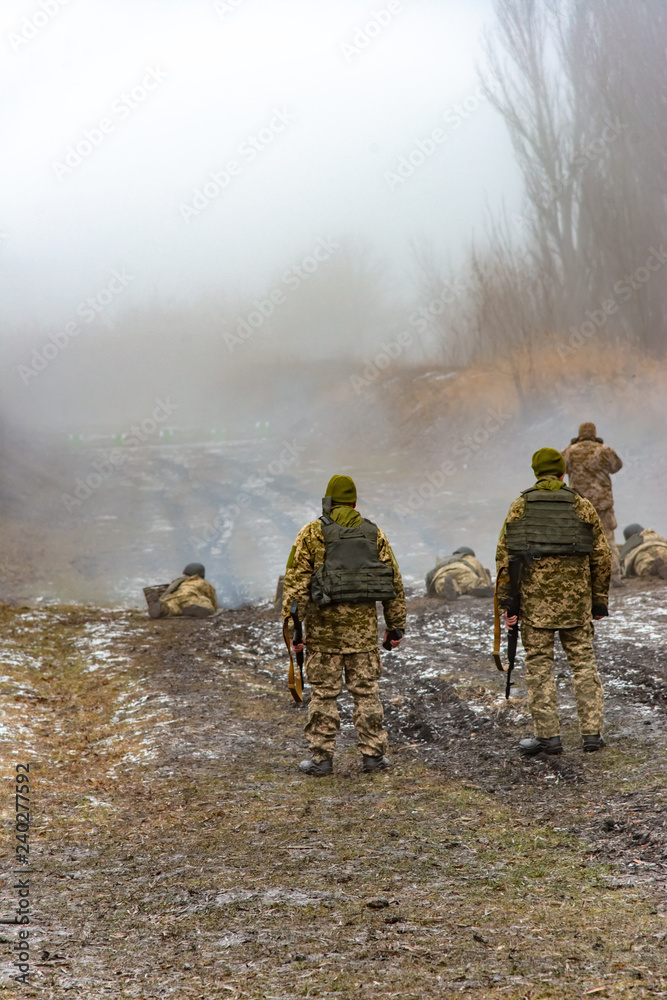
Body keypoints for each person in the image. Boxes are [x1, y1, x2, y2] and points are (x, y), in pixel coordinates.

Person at [282, 474, 406, 776]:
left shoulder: (311, 534)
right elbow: (393, 581)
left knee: (324, 695)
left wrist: (293, 634)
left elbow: (295, 588)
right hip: (362, 635)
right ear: (353, 502)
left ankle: (321, 760)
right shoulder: (373, 533)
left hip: (323, 636)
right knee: (366, 693)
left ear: (328, 501)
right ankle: (374, 757)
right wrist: (395, 626)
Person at [496, 448, 611, 756]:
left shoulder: (521, 506)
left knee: (539, 668)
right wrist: (598, 602)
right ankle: (592, 735)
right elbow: (601, 556)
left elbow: (505, 559)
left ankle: (549, 738)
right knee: (584, 665)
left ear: (536, 472)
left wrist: (508, 605)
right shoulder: (581, 505)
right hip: (576, 605)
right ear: (563, 473)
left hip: (536, 607)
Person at [561, 422, 623, 585]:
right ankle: (614, 577)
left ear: (579, 435)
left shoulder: (570, 452)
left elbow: (559, 467)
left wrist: (572, 447)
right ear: (594, 434)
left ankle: (580, 578)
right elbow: (617, 466)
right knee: (607, 541)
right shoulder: (604, 450)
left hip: (579, 505)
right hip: (602, 504)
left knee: (579, 541)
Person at [143, 563, 218, 618]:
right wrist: (213, 607)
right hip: (191, 598)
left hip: (175, 597)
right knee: (205, 604)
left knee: (172, 607)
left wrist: (161, 600)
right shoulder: (203, 582)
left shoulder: (178, 581)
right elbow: (212, 598)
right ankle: (194, 608)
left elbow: (169, 591)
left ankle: (163, 608)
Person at [425, 547, 493, 600]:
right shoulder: (470, 558)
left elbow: (429, 576)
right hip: (462, 570)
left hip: (442, 573)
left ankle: (451, 590)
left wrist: (430, 592)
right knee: (470, 583)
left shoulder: (444, 560)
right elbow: (481, 573)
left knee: (442, 584)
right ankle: (475, 589)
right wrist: (486, 584)